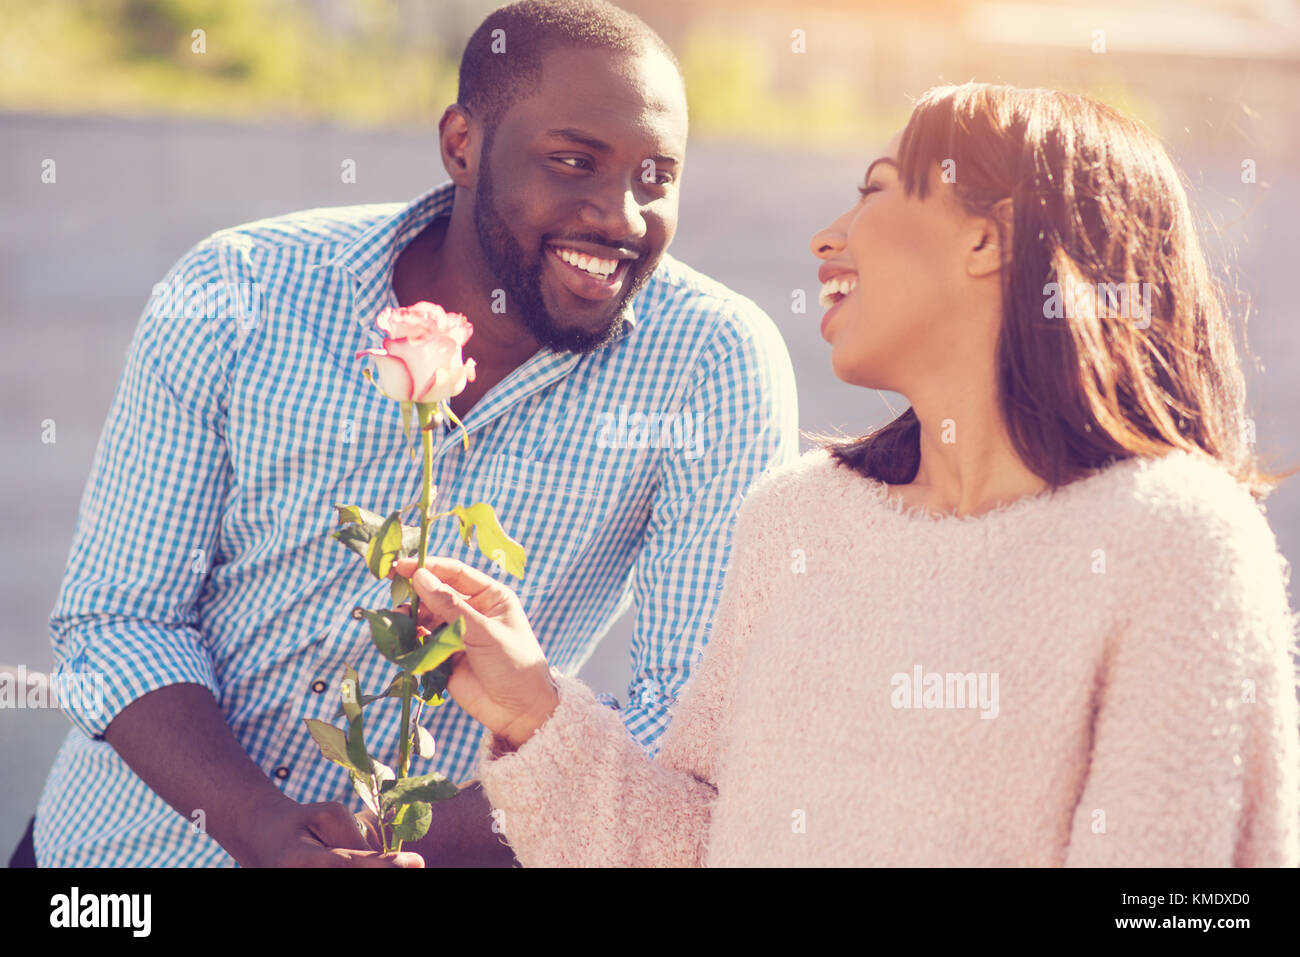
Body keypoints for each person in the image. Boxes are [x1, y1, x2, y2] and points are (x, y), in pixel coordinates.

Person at [389, 82, 1300, 866]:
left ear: (990, 239)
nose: (828, 238)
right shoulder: (799, 521)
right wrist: (538, 707)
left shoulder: (1172, 538)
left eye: (877, 190)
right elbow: (703, 842)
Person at [33, 0, 798, 867]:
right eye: (573, 161)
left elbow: (691, 721)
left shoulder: (713, 363)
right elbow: (117, 620)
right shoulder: (236, 289)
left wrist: (393, 841)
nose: (622, 216)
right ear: (461, 144)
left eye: (656, 175)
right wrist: (258, 827)